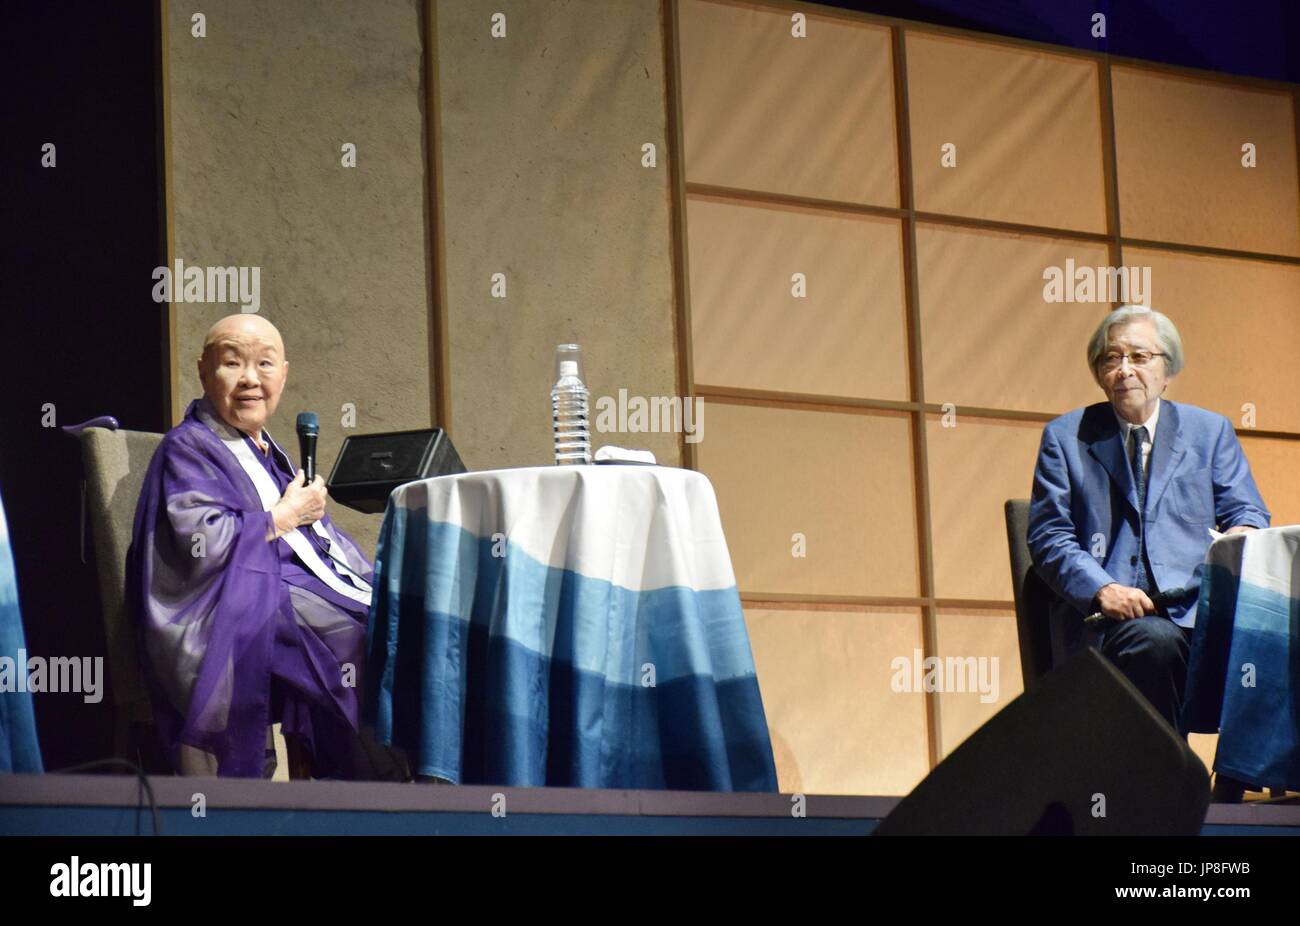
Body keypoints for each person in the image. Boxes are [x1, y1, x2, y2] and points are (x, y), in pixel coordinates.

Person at [128, 313, 398, 778]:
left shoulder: (267, 450)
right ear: (203, 370)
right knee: (347, 635)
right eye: (232, 363)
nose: (250, 379)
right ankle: (380, 784)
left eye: (265, 364)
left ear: (284, 374)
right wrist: (284, 515)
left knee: (394, 616)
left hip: (273, 588)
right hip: (215, 606)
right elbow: (202, 543)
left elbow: (316, 546)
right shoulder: (187, 447)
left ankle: (393, 774)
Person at [1027, 305, 1269, 749]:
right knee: (1155, 644)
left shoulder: (1209, 432)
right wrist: (1102, 589)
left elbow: (1248, 512)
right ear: (1099, 374)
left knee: (1275, 640)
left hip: (1199, 612)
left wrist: (1241, 534)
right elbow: (1048, 536)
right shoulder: (1066, 437)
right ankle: (1167, 783)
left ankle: (1240, 777)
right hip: (1108, 618)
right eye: (1111, 359)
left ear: (1167, 370)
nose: (1124, 371)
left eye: (1139, 357)